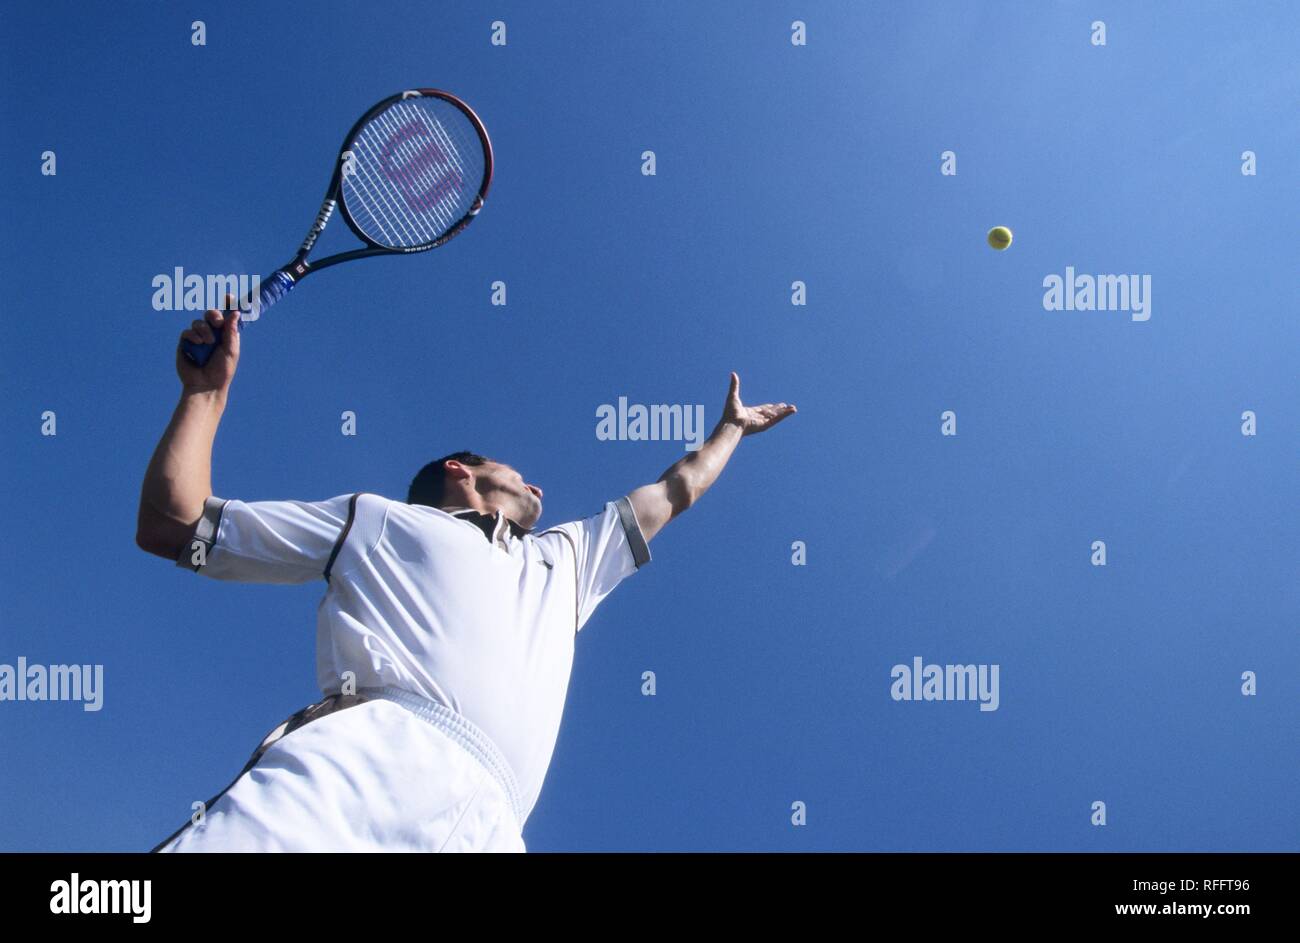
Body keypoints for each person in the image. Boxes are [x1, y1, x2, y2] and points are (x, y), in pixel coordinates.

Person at [137, 297, 797, 852]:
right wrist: (206, 394)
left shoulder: (565, 561)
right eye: (513, 469)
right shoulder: (374, 519)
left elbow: (673, 492)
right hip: (361, 772)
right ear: (461, 469)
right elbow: (175, 525)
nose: (534, 479)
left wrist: (730, 432)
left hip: (496, 831)